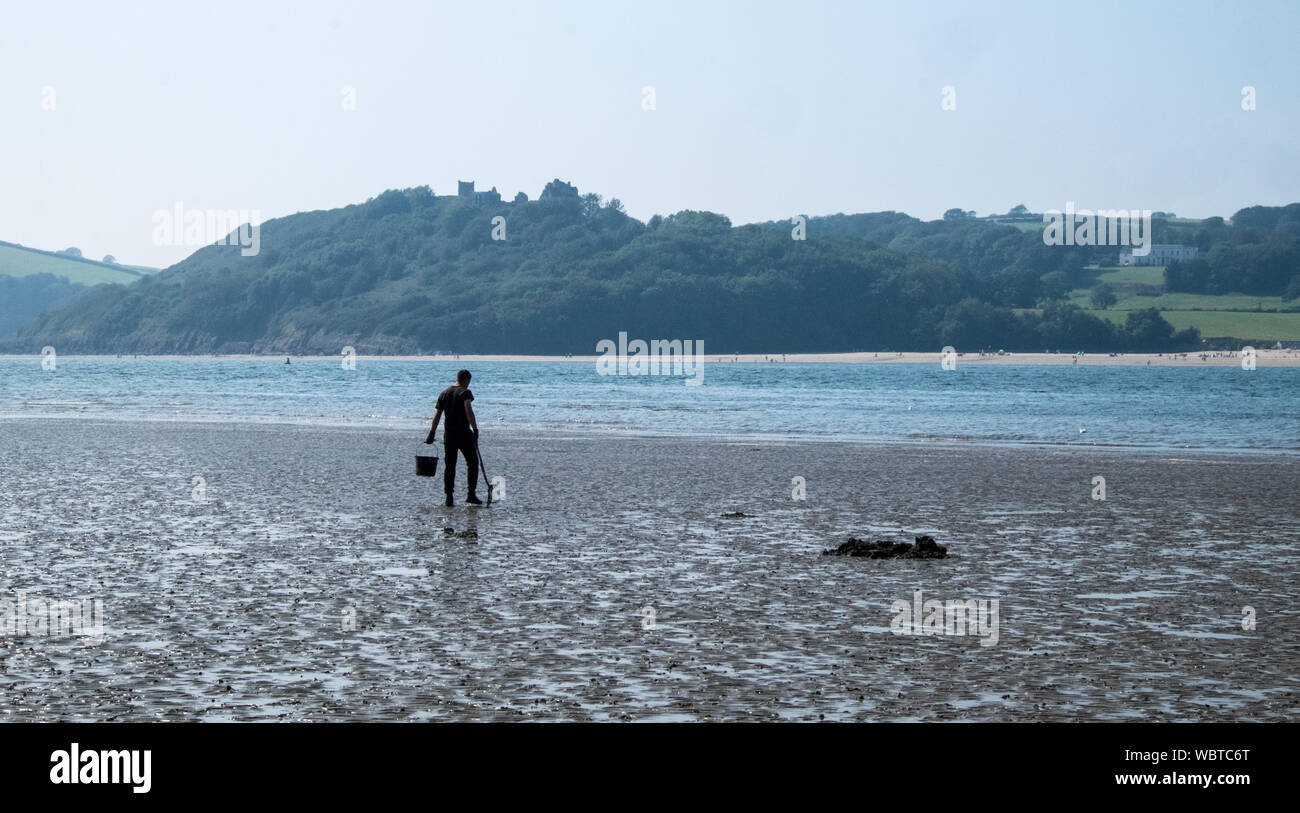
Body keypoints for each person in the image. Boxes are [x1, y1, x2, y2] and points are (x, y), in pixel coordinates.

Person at [426, 369, 481, 506]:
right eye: (469, 381)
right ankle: (471, 494)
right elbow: (468, 409)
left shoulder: (444, 393)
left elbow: (437, 415)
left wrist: (431, 433)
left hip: (449, 435)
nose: (469, 384)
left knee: (450, 466)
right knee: (473, 463)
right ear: (466, 379)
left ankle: (449, 497)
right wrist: (475, 429)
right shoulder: (465, 392)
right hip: (463, 434)